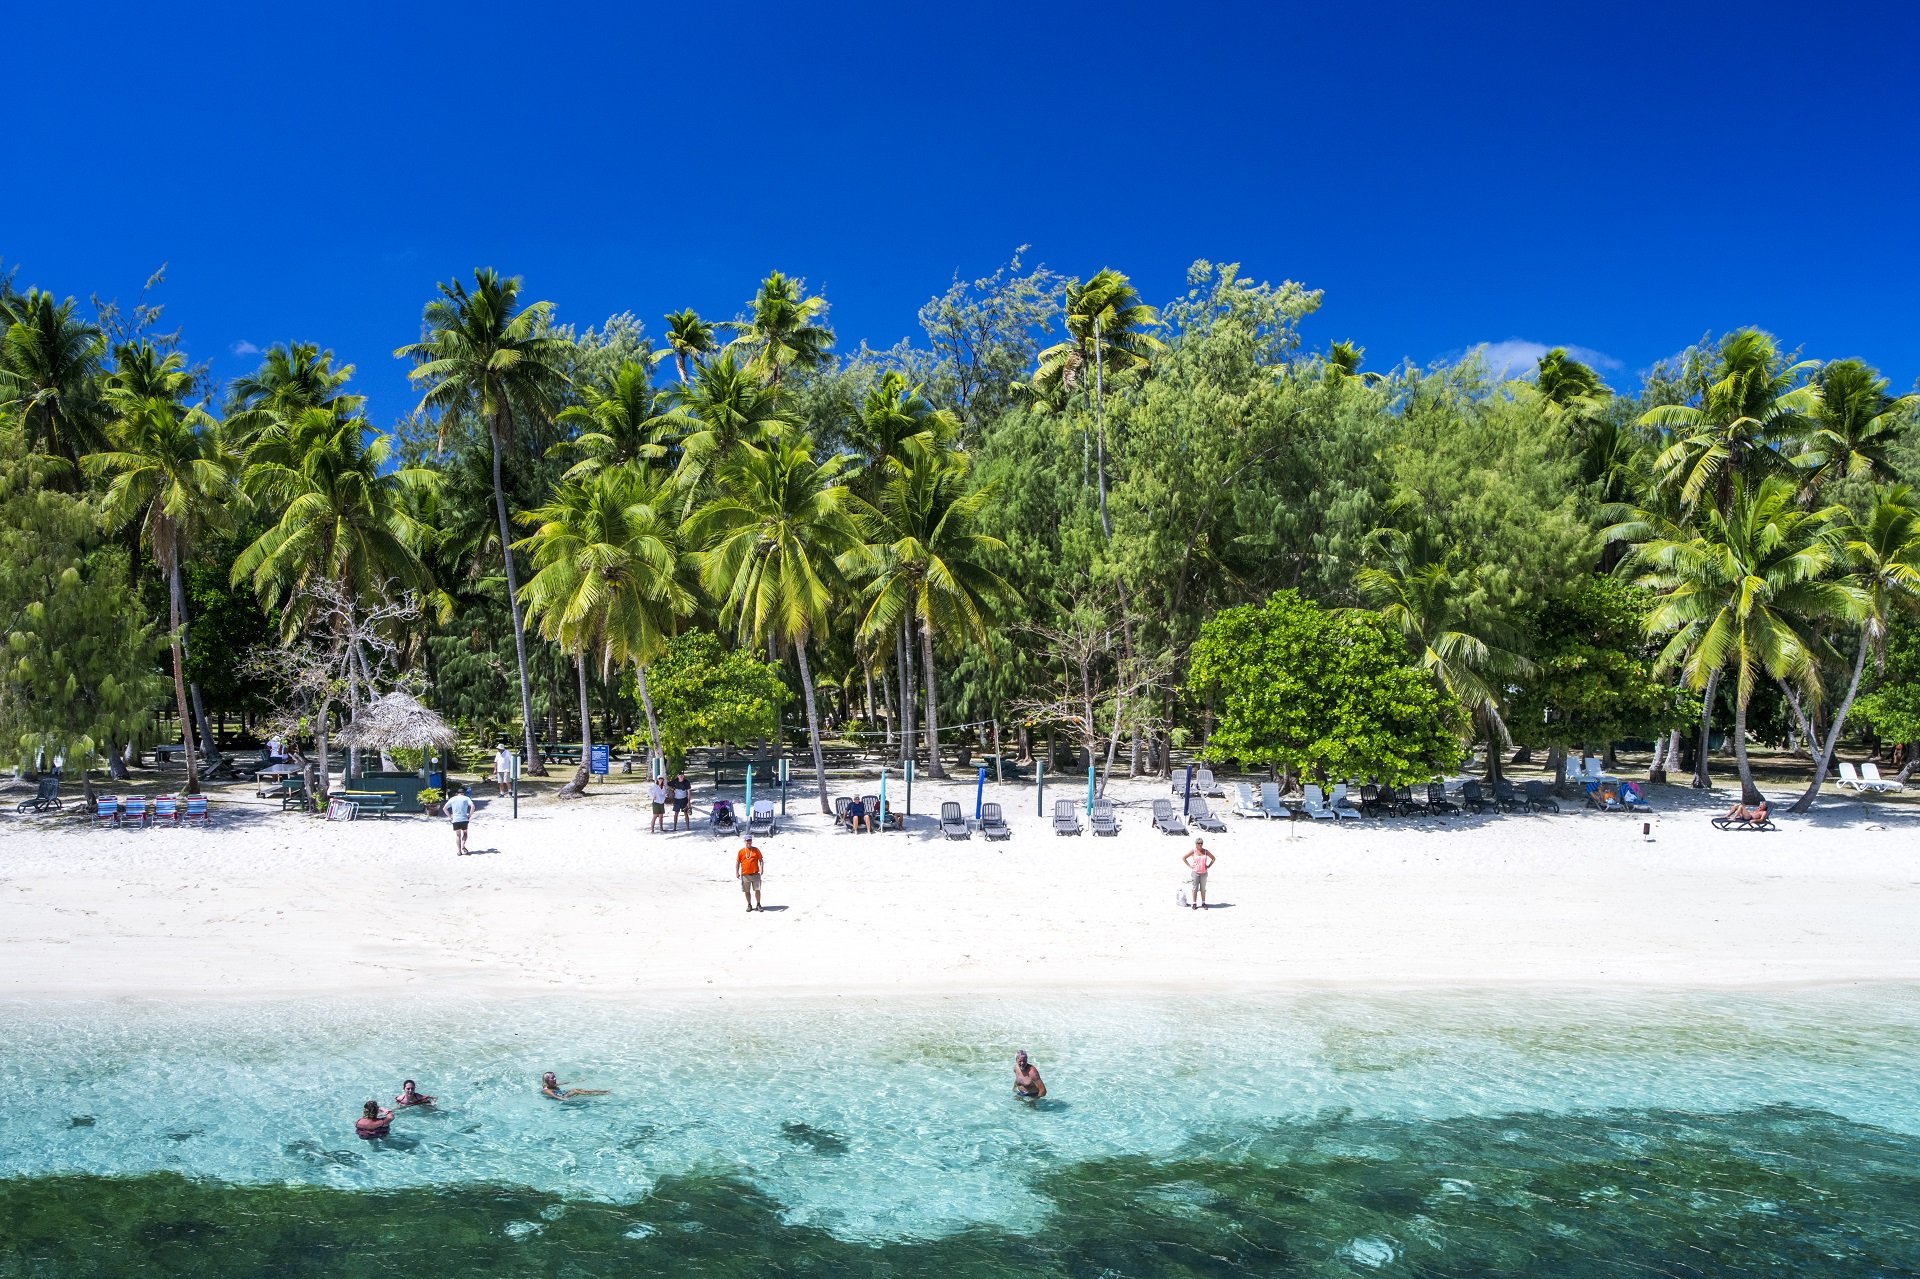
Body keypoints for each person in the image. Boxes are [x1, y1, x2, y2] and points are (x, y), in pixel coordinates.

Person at [1183, 838, 1215, 910]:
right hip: (1195, 872)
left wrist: (1209, 866)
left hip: (1204, 873)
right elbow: (1184, 858)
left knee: (1203, 889)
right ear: (1196, 844)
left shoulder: (1205, 851)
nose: (1200, 844)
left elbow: (1213, 858)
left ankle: (1203, 903)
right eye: (1198, 843)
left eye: (1201, 843)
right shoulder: (1193, 851)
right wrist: (1190, 866)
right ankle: (1194, 903)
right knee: (1195, 888)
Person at [737, 837, 764, 912]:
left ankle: (758, 904)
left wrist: (762, 868)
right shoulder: (741, 851)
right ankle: (749, 905)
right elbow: (738, 862)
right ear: (744, 841)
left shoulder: (756, 850)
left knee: (757, 890)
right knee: (747, 891)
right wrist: (737, 872)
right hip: (745, 875)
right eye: (747, 841)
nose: (749, 842)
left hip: (755, 874)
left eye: (750, 840)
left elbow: (761, 860)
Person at [446, 784, 474, 855]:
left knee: (458, 835)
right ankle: (463, 846)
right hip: (464, 819)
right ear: (463, 793)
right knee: (465, 833)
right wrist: (469, 815)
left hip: (455, 819)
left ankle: (459, 851)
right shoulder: (466, 798)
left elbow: (444, 808)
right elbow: (473, 806)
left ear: (457, 793)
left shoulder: (452, 799)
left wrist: (450, 817)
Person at [540, 1071, 609, 1100]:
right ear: (547, 1080)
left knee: (579, 1089)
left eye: (555, 1077)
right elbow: (555, 1097)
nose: (555, 1079)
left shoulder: (553, 1085)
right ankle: (600, 1093)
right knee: (575, 1090)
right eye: (552, 1078)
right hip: (562, 1097)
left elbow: (565, 1083)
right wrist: (564, 1099)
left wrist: (578, 1081)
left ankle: (602, 1091)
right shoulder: (547, 1090)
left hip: (562, 1094)